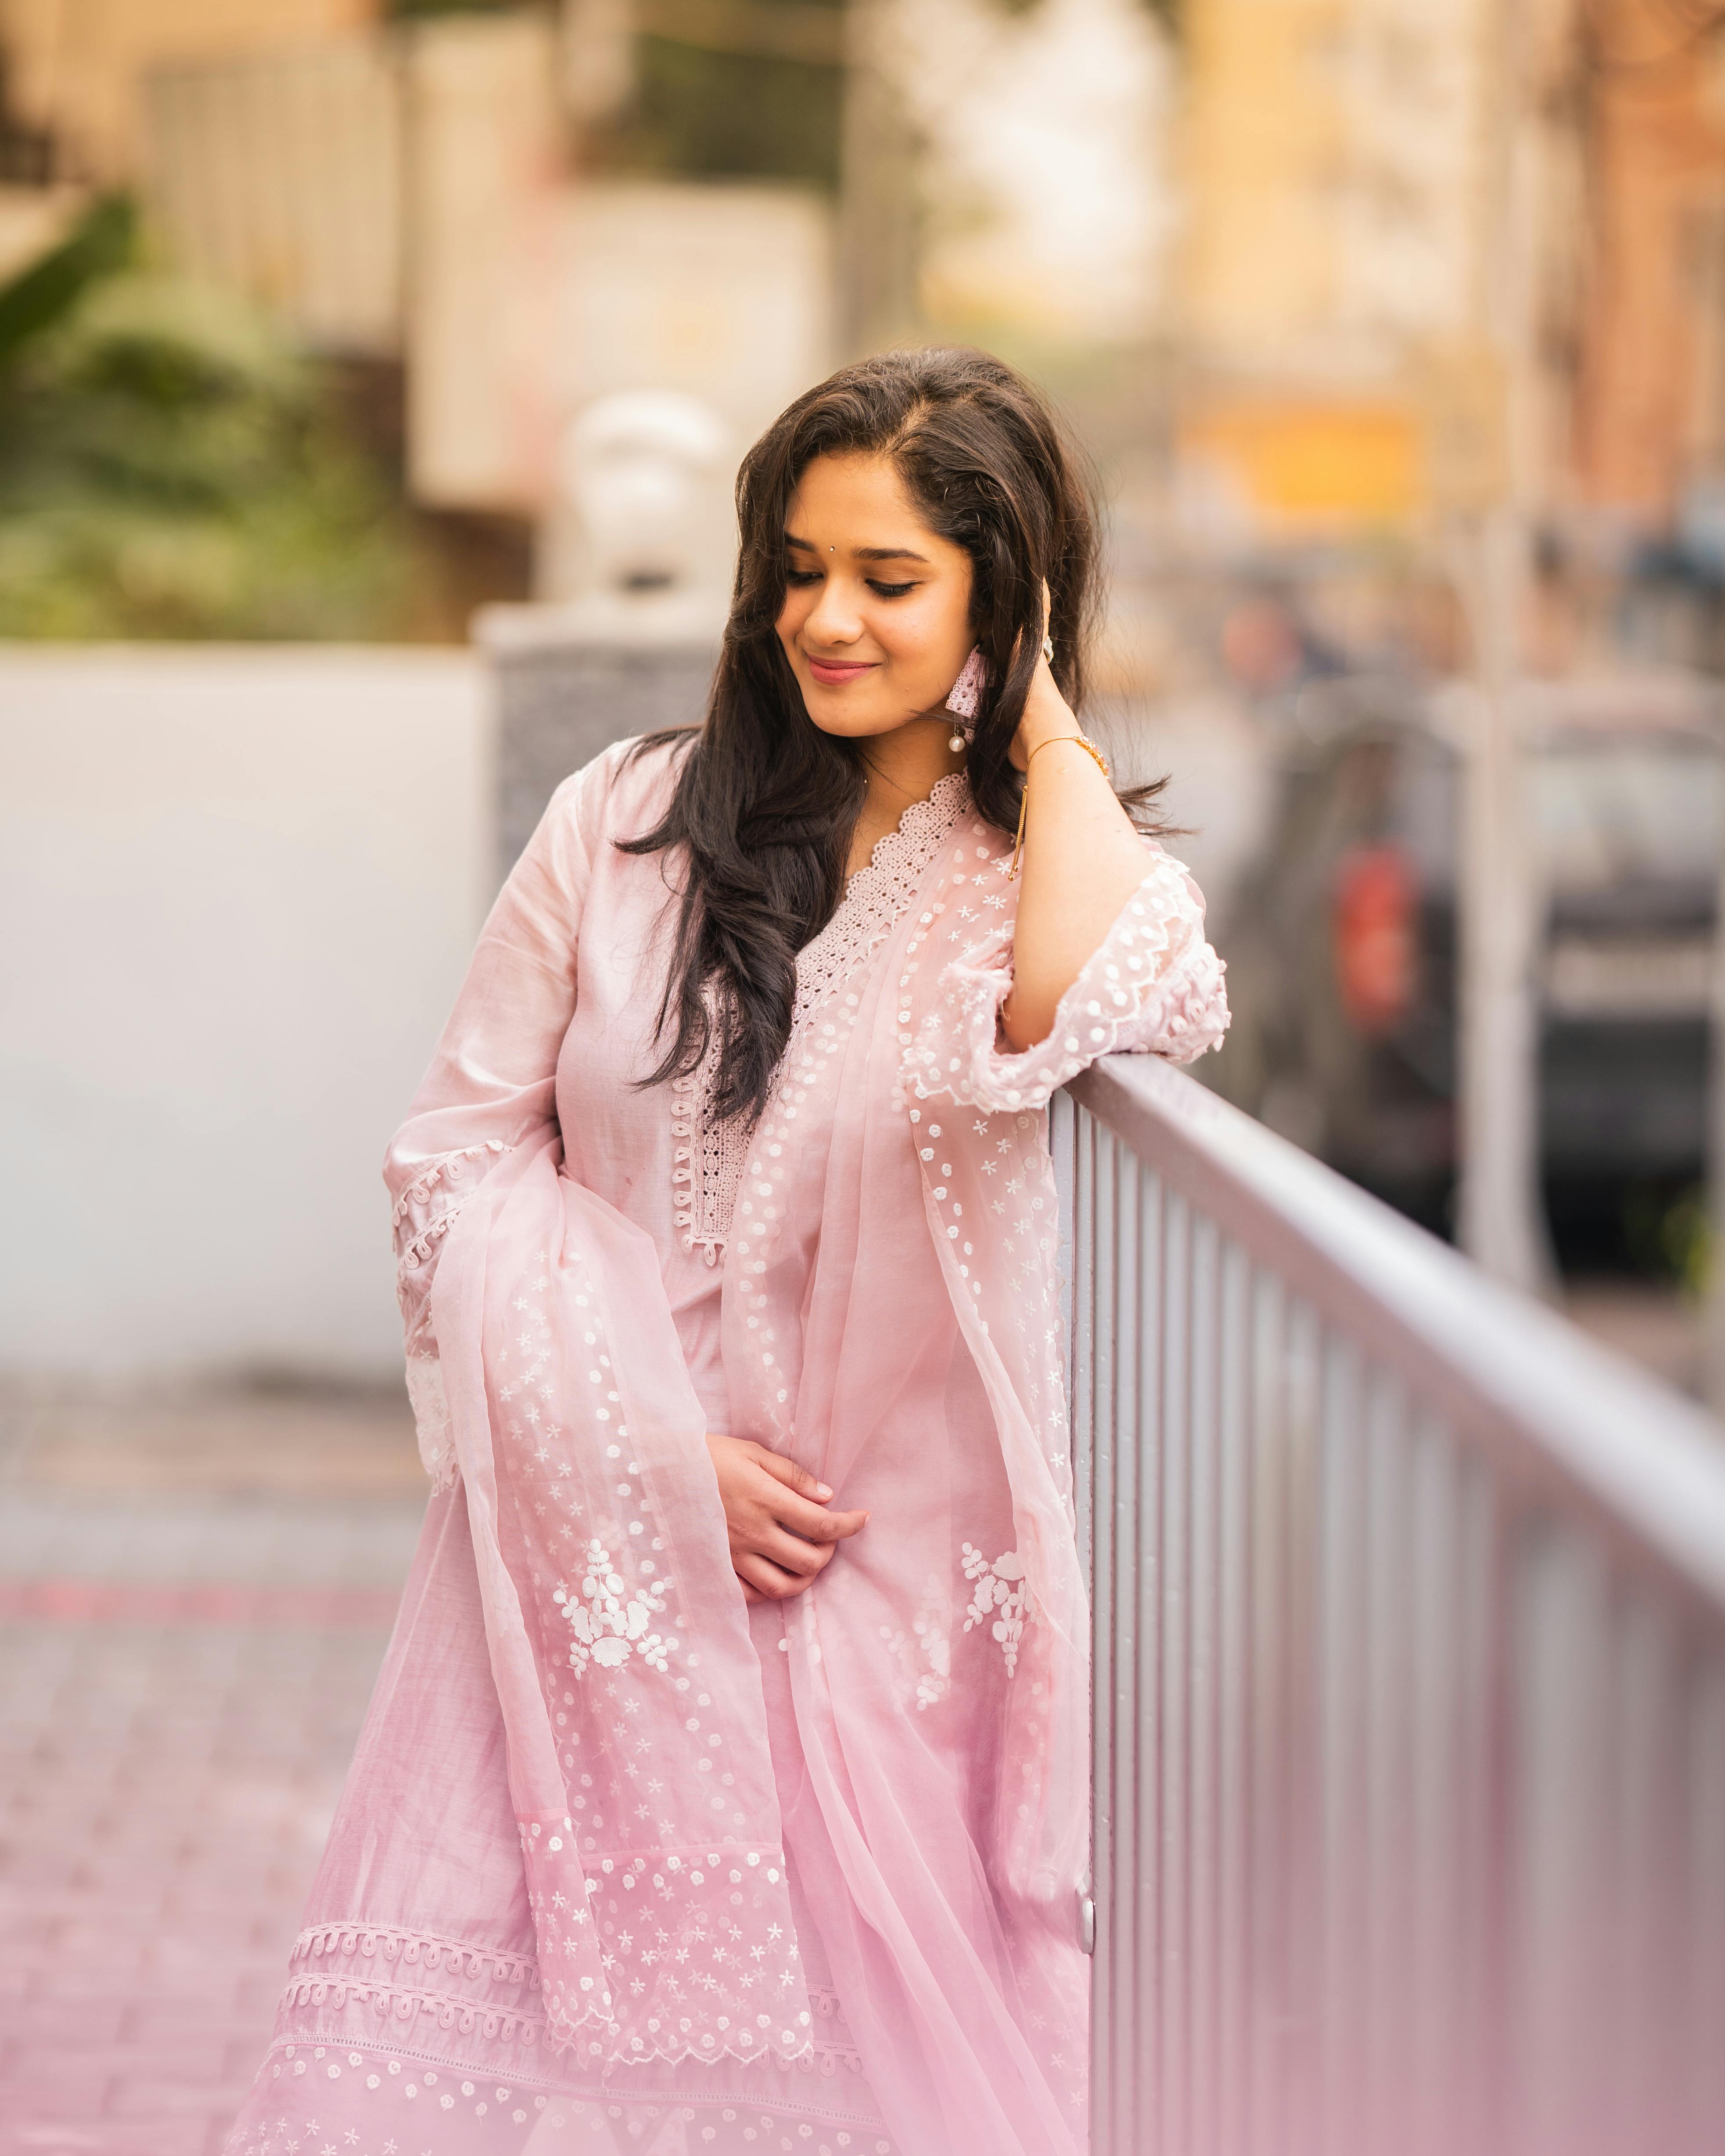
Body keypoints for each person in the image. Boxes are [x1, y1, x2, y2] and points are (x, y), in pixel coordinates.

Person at [221, 347, 1228, 2156]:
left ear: (1003, 598)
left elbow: (1085, 1000)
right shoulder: (621, 827)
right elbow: (454, 1154)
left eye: (890, 579)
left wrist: (1045, 725)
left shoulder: (1024, 867)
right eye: (794, 568)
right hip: (583, 1551)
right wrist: (639, 1455)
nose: (822, 618)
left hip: (877, 1596)